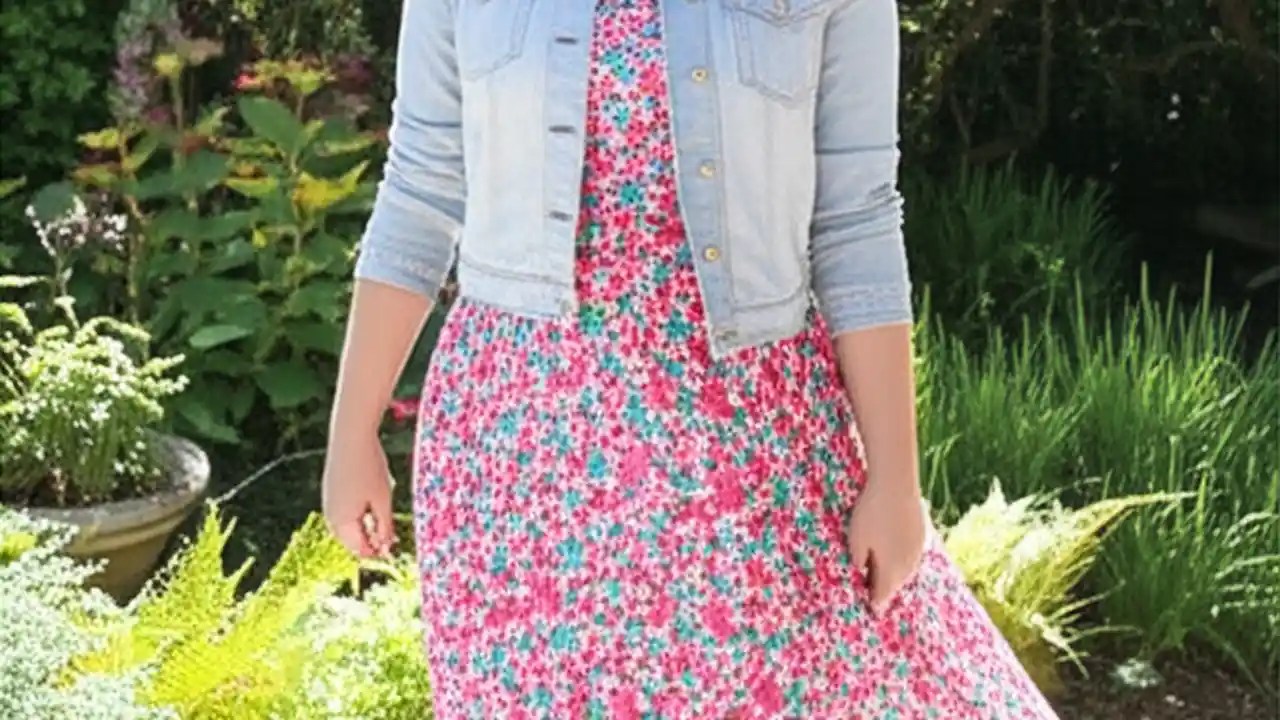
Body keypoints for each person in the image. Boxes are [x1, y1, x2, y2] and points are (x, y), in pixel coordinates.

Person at [322, 0, 1059, 717]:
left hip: (749, 443)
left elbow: (855, 218)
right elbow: (419, 193)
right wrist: (352, 434)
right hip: (518, 455)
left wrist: (898, 480)